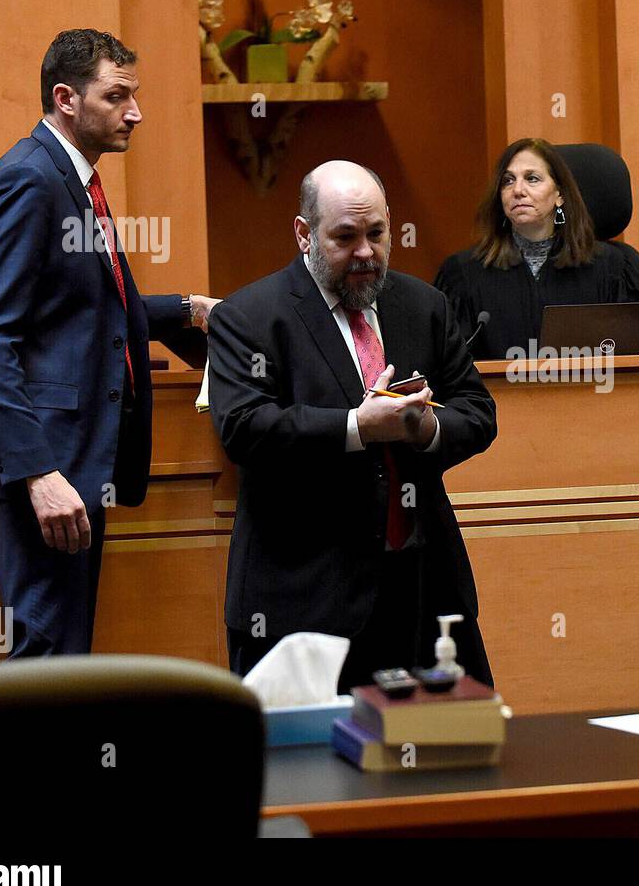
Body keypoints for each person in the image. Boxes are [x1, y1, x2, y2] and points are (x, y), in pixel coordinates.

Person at [0, 28, 217, 656]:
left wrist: (189, 309)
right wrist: (39, 473)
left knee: (66, 654)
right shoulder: (31, 180)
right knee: (47, 656)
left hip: (74, 458)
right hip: (41, 463)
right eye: (118, 95)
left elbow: (94, 307)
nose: (136, 112)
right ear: (66, 98)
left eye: (136, 94)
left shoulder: (72, 178)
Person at [208, 160, 496, 687]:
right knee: (307, 767)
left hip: (421, 589)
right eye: (345, 237)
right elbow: (245, 428)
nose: (365, 252)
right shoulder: (248, 316)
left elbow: (477, 412)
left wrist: (424, 429)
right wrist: (357, 427)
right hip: (304, 600)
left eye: (377, 234)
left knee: (442, 758)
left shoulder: (423, 305)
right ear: (304, 234)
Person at [434, 137, 639, 359]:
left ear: (559, 195)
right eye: (508, 181)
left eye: (532, 179)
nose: (518, 190)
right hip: (498, 395)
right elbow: (445, 367)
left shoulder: (612, 268)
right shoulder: (463, 275)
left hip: (594, 392)